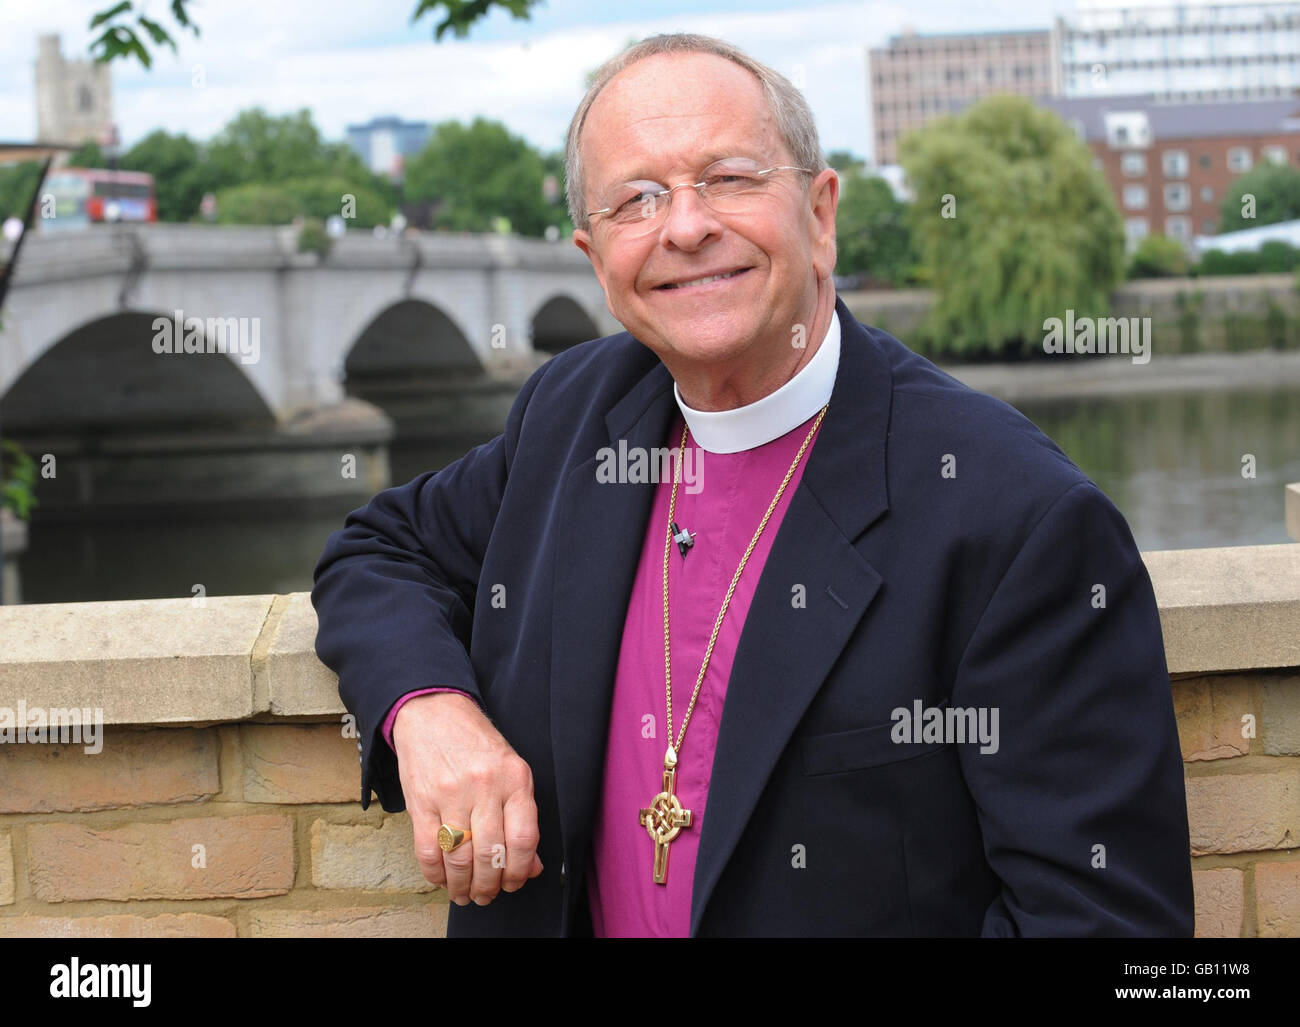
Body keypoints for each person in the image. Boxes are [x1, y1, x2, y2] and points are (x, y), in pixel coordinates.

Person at [311, 32, 1194, 937]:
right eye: (637, 199)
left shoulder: (1014, 514)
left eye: (729, 178)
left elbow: (1106, 925)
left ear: (820, 213)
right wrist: (428, 711)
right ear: (594, 256)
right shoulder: (573, 413)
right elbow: (378, 550)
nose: (686, 226)